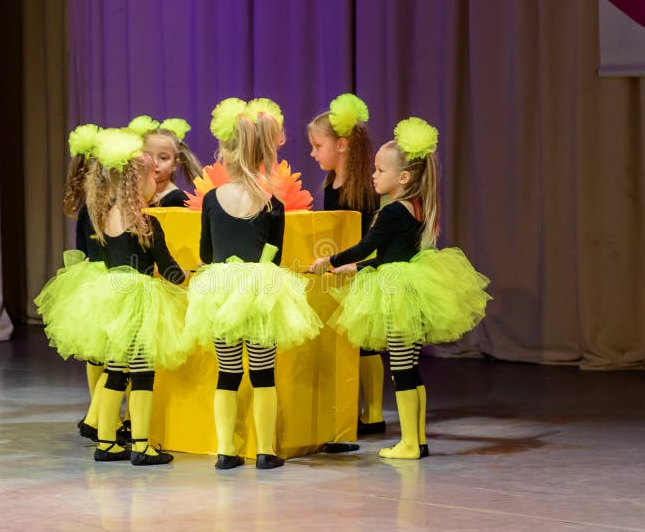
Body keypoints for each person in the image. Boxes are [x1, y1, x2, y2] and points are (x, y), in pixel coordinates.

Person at [311, 117, 490, 459]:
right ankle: (417, 439)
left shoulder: (393, 211)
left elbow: (367, 246)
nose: (373, 175)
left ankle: (410, 442)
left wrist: (330, 261)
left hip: (394, 291)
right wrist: (357, 267)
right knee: (409, 366)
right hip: (407, 283)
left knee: (402, 368)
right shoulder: (416, 207)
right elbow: (390, 256)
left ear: (403, 177)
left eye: (379, 170)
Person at [183, 98, 322, 470]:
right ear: (263, 152)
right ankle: (265, 451)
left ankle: (227, 451)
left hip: (222, 290)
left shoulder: (212, 200)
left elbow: (207, 251)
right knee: (263, 374)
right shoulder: (272, 203)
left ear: (226, 154)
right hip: (262, 292)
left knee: (227, 374)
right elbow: (274, 256)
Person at [36, 128, 189, 464]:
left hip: (112, 297)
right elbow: (170, 270)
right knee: (144, 373)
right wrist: (191, 277)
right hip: (139, 300)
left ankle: (107, 442)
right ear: (141, 183)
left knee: (115, 372)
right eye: (151, 176)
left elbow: (105, 261)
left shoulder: (106, 218)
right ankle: (141, 445)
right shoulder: (146, 223)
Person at [308, 93, 386, 435]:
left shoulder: (364, 188)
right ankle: (348, 407)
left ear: (341, 145)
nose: (313, 153)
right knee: (349, 341)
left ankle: (374, 412)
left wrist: (356, 265)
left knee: (367, 343)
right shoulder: (330, 183)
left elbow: (371, 238)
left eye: (317, 145)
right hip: (339, 270)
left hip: (361, 270)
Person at [126, 115, 202, 207]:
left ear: (174, 164)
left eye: (163, 158)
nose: (155, 163)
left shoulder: (179, 200)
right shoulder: (131, 197)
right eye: (148, 155)